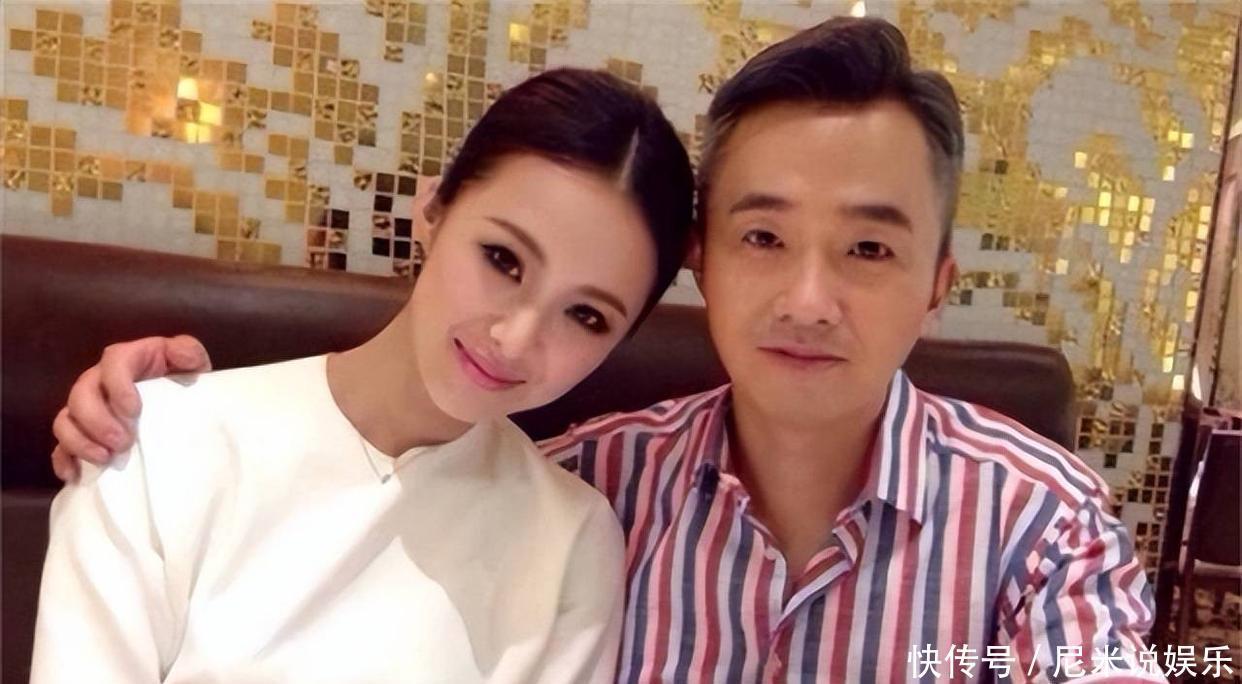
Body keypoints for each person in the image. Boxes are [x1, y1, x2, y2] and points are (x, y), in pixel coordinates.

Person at [47, 17, 1164, 683]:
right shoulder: (605, 482)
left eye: (869, 248)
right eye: (765, 237)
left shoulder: (1038, 522)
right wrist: (149, 424)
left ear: (937, 288)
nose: (809, 299)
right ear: (705, 265)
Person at [31, 67, 695, 683]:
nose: (516, 339)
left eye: (586, 316)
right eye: (503, 259)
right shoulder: (158, 444)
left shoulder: (571, 543)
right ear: (433, 211)